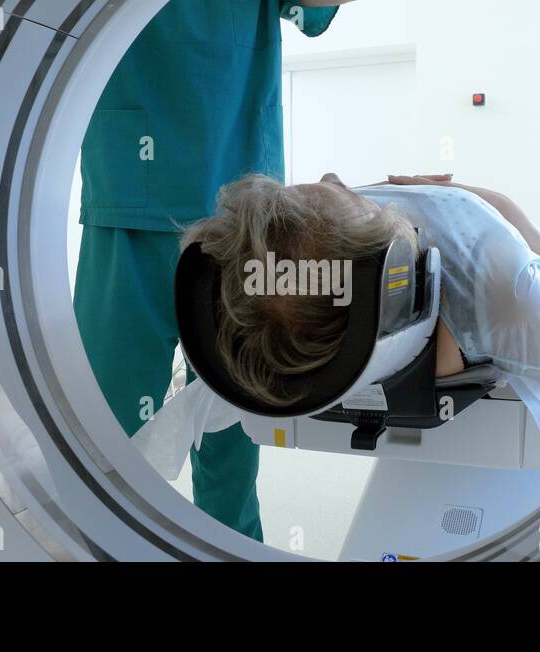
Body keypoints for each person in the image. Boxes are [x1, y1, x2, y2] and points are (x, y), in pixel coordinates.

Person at [74, 1, 352, 542]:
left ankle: (231, 550)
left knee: (233, 431)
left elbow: (314, 8)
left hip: (241, 213)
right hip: (130, 192)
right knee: (107, 429)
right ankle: (102, 548)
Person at [181, 172, 540, 407]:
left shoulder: (291, 239)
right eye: (362, 202)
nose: (334, 176)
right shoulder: (508, 292)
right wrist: (497, 206)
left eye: (329, 188)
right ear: (393, 282)